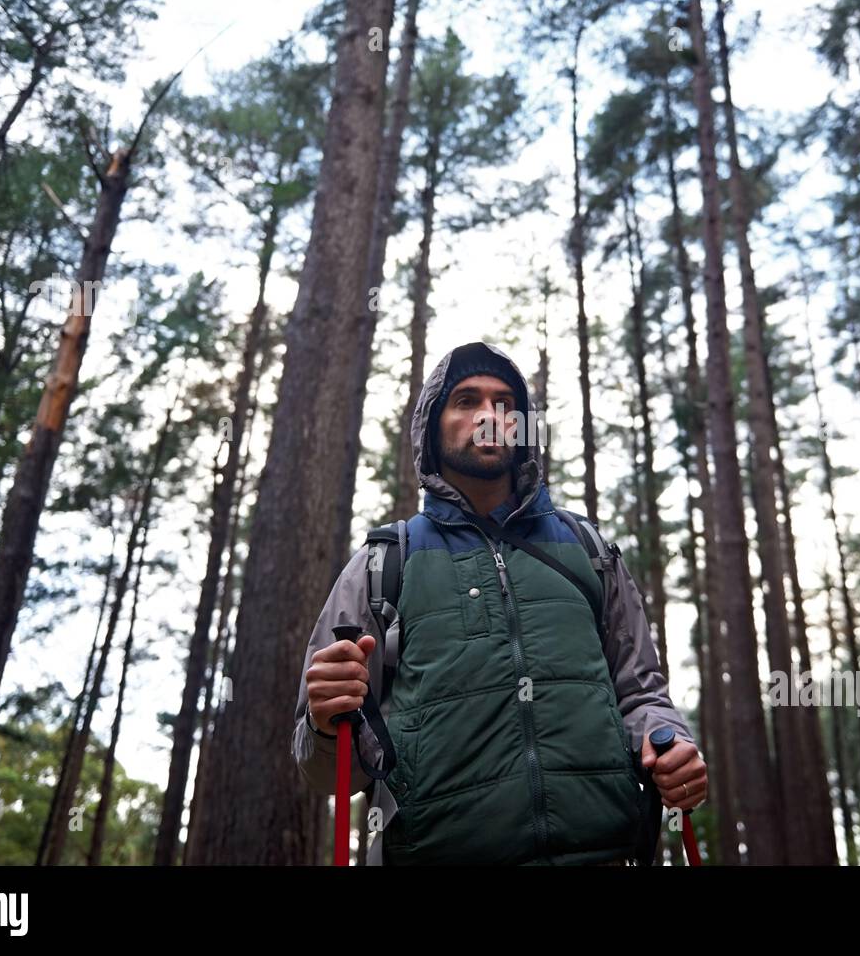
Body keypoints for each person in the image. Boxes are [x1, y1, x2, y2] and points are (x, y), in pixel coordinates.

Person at [292, 340, 707, 864]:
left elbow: (641, 694)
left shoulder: (588, 549)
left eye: (505, 404)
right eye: (466, 401)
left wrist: (668, 741)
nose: (489, 416)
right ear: (431, 428)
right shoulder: (384, 564)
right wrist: (325, 722)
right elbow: (326, 774)